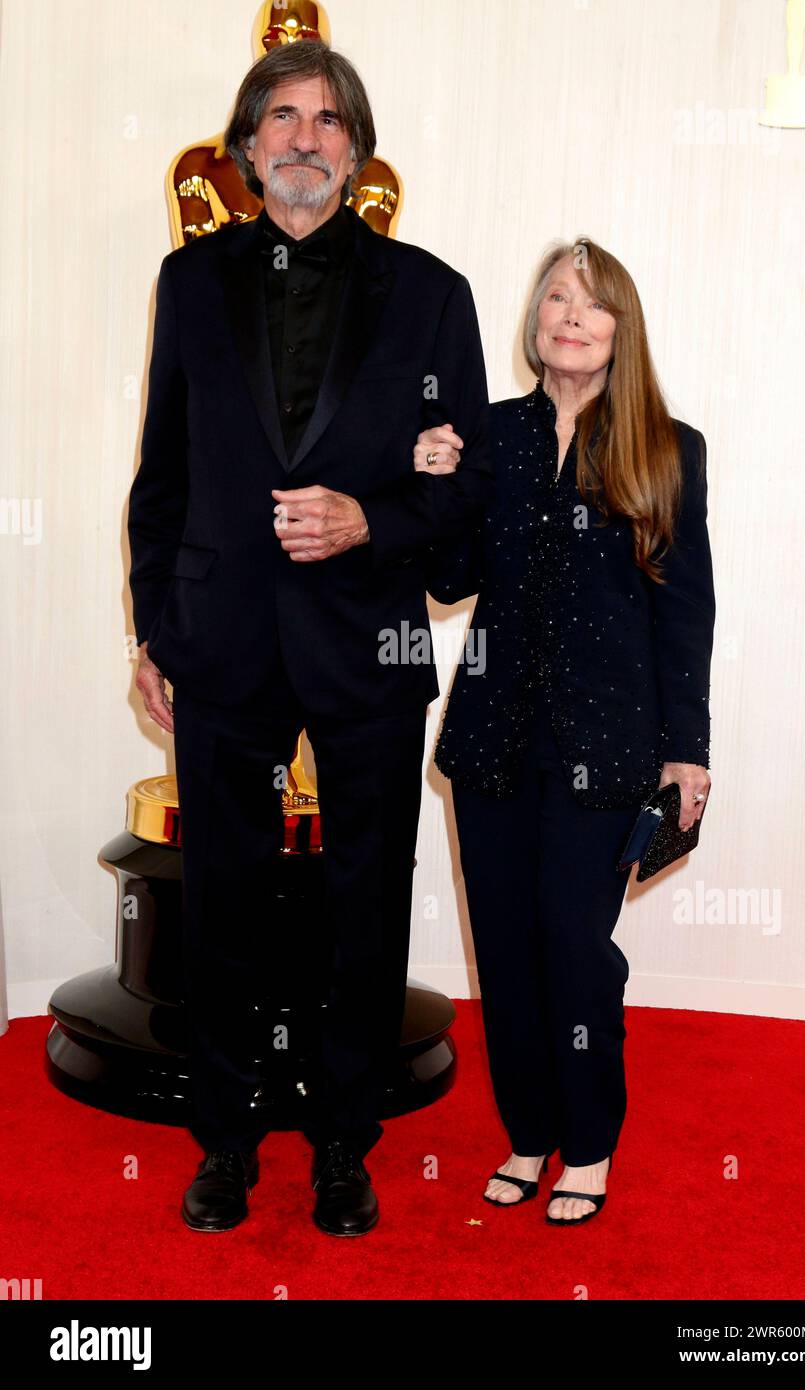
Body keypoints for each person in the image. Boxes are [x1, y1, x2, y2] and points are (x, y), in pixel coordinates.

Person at [127, 40, 491, 1237]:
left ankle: (345, 1137)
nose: (303, 137)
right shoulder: (187, 286)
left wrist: (368, 519)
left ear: (358, 149)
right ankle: (225, 1137)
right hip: (221, 635)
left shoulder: (436, 296)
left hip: (370, 640)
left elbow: (457, 496)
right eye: (281, 116)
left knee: (364, 897)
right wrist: (152, 627)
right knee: (222, 897)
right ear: (245, 151)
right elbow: (163, 471)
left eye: (328, 119)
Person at [419, 237, 715, 1225]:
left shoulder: (666, 449)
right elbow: (450, 578)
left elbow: (686, 612)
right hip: (494, 737)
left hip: (608, 744)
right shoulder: (494, 436)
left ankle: (587, 1144)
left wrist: (689, 751)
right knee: (502, 950)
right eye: (554, 299)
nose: (570, 316)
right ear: (534, 324)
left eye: (592, 303)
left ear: (622, 330)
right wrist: (436, 479)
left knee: (572, 944)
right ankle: (529, 1132)